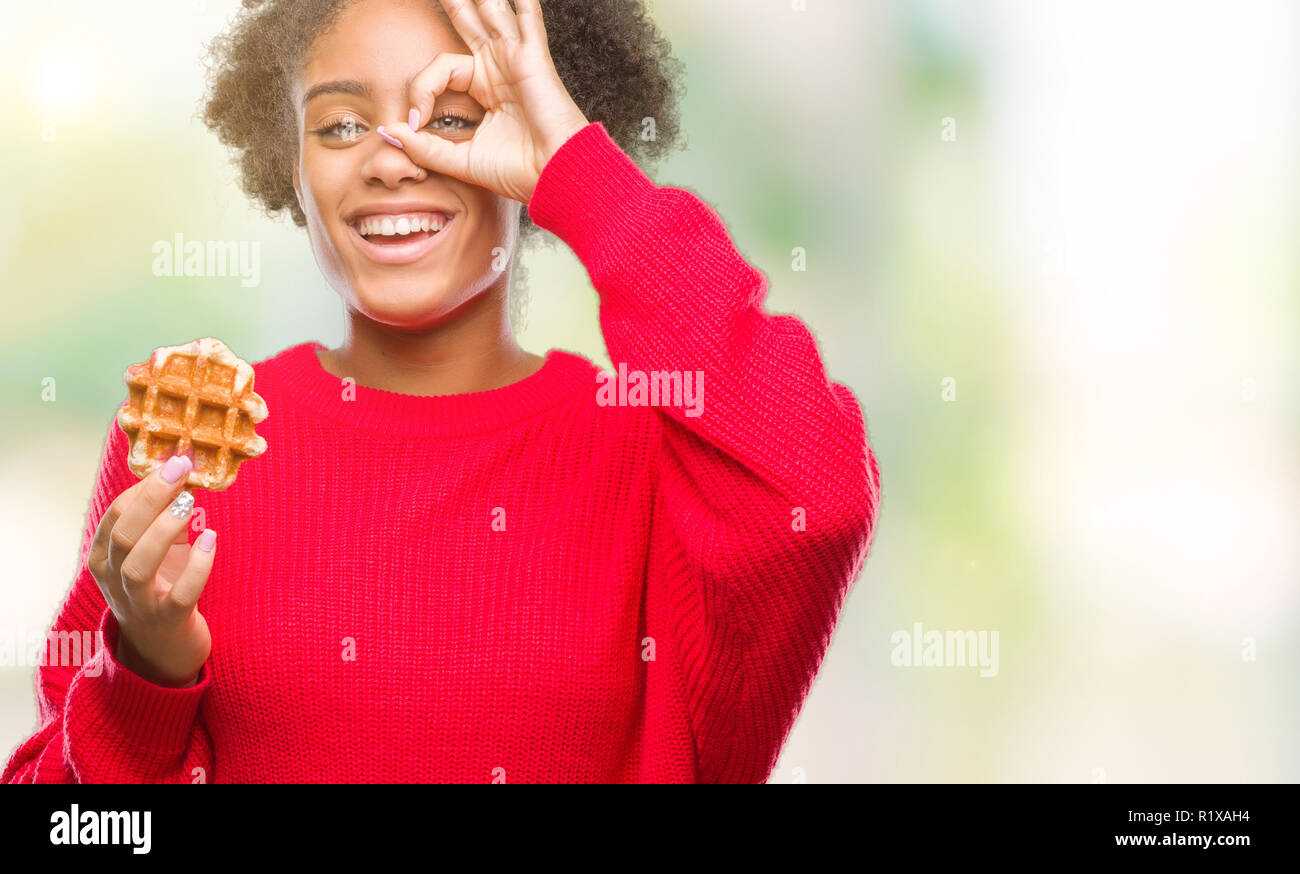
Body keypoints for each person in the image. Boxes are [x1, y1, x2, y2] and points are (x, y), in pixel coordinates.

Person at [3, 0, 881, 783]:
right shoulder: (181, 467)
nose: (392, 162)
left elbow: (823, 496)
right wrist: (146, 675)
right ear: (290, 163)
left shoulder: (646, 450)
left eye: (452, 119)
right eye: (341, 126)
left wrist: (582, 172)